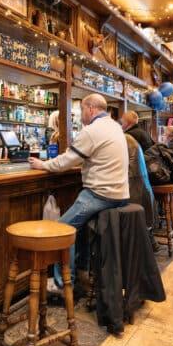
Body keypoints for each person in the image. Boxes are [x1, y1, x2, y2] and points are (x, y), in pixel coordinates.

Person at [30, 94, 129, 288]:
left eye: (82, 109)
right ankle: (82, 271)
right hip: (120, 195)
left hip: (101, 194)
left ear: (91, 108)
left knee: (62, 230)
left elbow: (66, 161)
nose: (80, 114)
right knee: (79, 228)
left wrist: (43, 165)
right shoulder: (115, 127)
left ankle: (63, 284)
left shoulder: (92, 130)